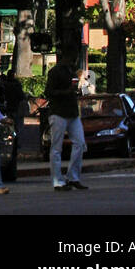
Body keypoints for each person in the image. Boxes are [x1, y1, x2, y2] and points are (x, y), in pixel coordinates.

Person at [46, 49, 87, 190]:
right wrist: (67, 92)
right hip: (58, 111)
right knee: (56, 147)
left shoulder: (71, 71)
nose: (74, 60)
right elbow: (49, 92)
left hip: (71, 111)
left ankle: (72, 176)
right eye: (72, 58)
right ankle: (58, 180)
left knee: (80, 144)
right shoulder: (55, 72)